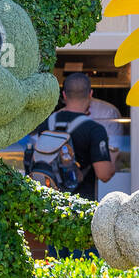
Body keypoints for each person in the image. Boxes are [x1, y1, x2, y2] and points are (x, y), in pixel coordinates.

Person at [43, 72, 115, 259]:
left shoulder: (45, 124)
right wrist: (113, 157)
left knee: (55, 271)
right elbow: (104, 173)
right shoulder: (94, 130)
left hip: (52, 211)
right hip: (82, 213)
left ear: (64, 95)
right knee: (82, 271)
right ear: (90, 94)